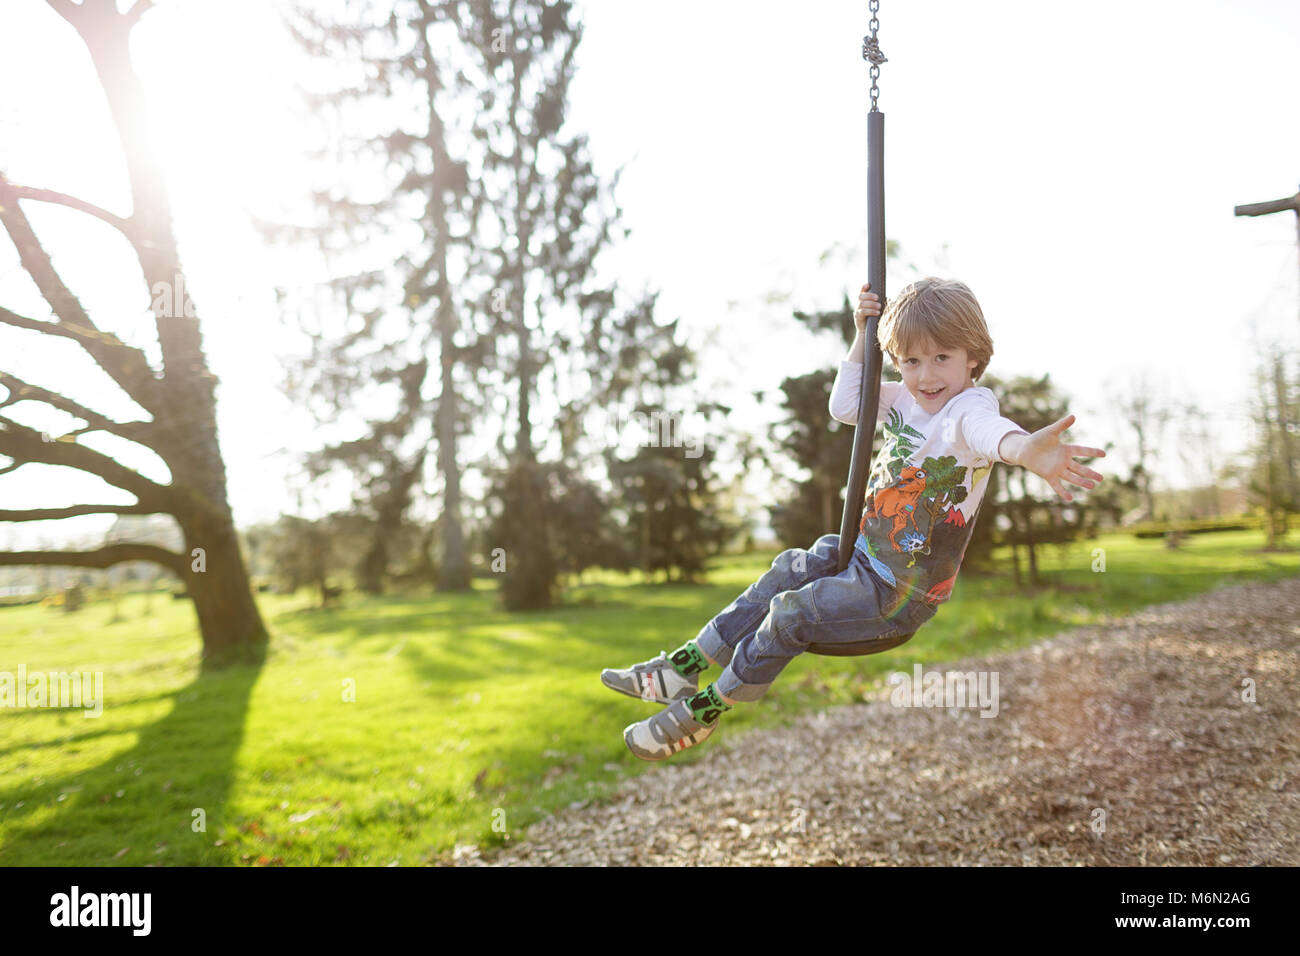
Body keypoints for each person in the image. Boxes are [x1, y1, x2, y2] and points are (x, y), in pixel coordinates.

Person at [602, 277, 1106, 760]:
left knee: (791, 612)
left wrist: (1024, 450)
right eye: (910, 361)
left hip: (897, 595)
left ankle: (709, 708)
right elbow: (847, 405)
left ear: (973, 357)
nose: (926, 376)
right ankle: (684, 666)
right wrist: (864, 332)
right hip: (862, 557)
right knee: (790, 567)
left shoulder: (967, 409)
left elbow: (990, 433)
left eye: (941, 358)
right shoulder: (906, 399)